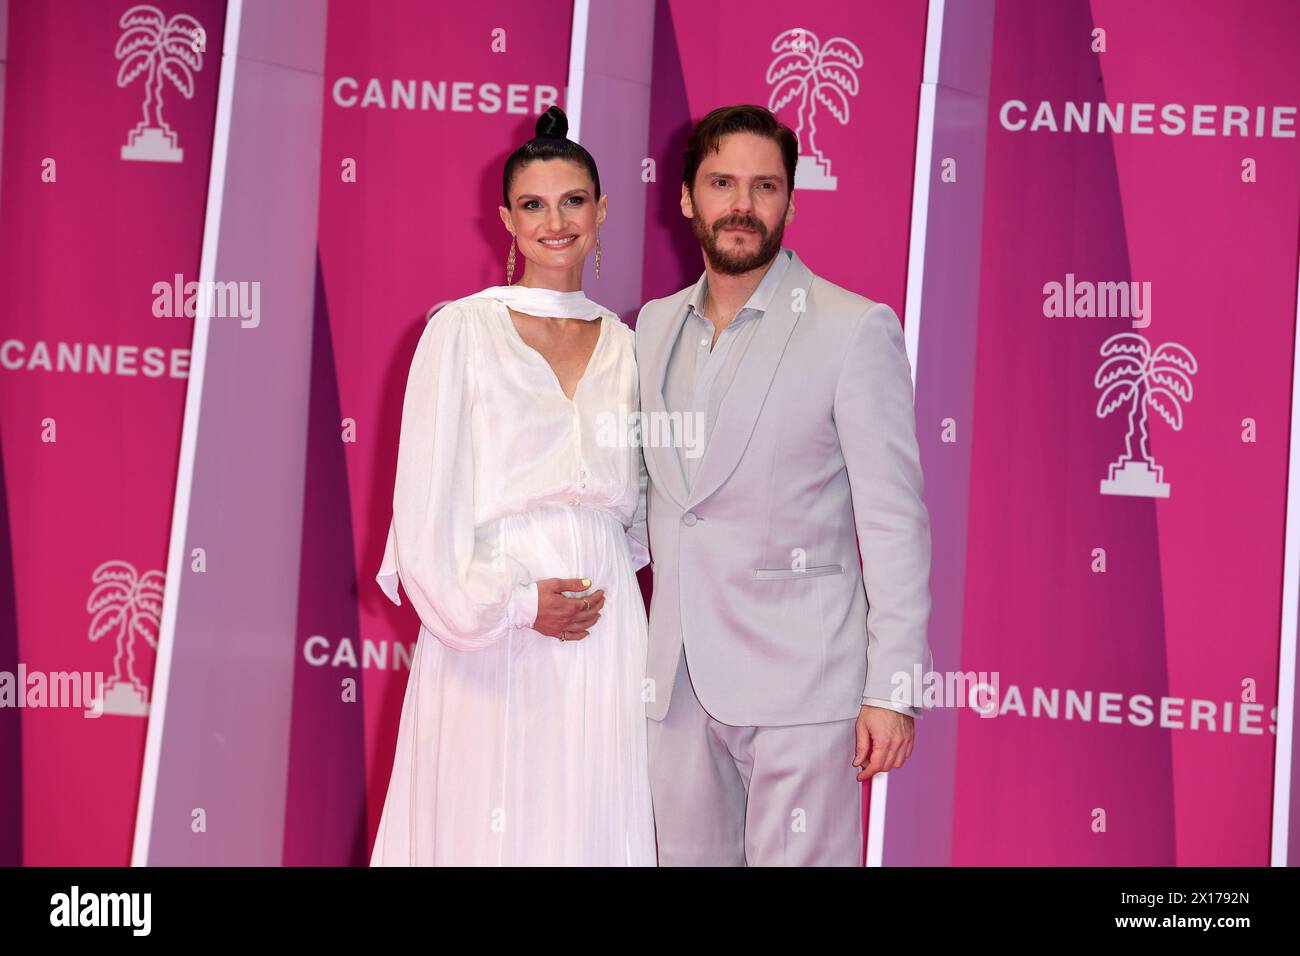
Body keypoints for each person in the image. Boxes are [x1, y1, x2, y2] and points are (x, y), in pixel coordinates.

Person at [634, 104, 933, 866]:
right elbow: (652, 500)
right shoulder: (653, 327)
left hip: (804, 688)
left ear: (790, 201)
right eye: (722, 183)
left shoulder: (852, 328)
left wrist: (892, 688)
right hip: (675, 684)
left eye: (763, 186)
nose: (742, 205)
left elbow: (895, 522)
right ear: (686, 197)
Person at [369, 106, 656, 866]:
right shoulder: (461, 330)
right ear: (505, 219)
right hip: (487, 633)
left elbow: (646, 513)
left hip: (603, 636)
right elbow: (425, 510)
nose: (555, 222)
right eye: (533, 204)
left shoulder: (633, 347)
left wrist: (601, 595)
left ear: (601, 211)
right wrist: (520, 604)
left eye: (572, 201)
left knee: (592, 823)